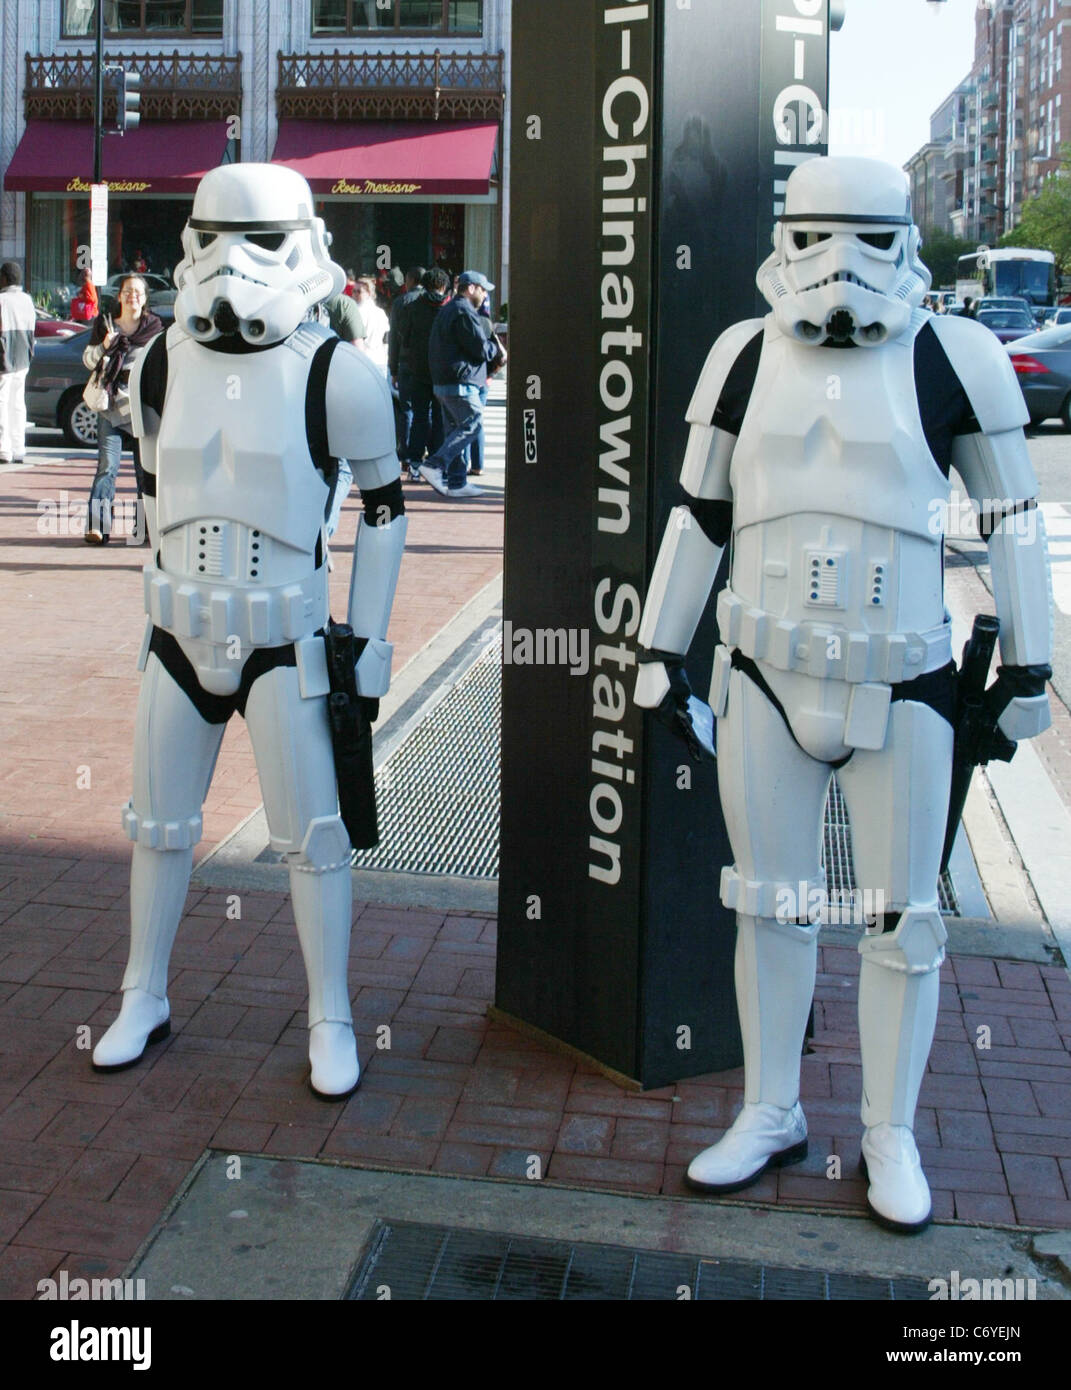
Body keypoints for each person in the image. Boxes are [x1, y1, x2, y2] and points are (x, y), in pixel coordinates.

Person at [633, 156, 1052, 1234]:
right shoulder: (739, 356)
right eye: (818, 235)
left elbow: (1014, 520)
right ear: (785, 234)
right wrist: (656, 645)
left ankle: (888, 1131)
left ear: (906, 239)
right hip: (765, 678)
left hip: (903, 684)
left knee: (902, 921)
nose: (840, 265)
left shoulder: (953, 356)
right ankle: (770, 1109)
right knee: (768, 903)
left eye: (868, 238)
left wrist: (1032, 672)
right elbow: (697, 513)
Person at [90, 163, 407, 1101]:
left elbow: (385, 510)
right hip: (177, 631)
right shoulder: (157, 361)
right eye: (216, 237)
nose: (235, 263)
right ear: (189, 242)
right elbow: (154, 488)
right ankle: (142, 992)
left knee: (314, 835)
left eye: (261, 240)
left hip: (287, 640)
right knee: (156, 826)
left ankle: (330, 1014)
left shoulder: (337, 373)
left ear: (305, 246)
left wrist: (370, 646)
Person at [82, 275, 163, 544]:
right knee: (107, 467)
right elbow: (87, 360)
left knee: (145, 470)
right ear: (119, 297)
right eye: (128, 292)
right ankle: (97, 527)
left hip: (143, 409)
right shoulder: (105, 325)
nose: (133, 297)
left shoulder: (153, 328)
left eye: (138, 292)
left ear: (145, 298)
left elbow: (161, 365)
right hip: (111, 407)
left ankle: (145, 528)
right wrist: (105, 346)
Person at [419, 269, 501, 499]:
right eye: (483, 289)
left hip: (446, 382)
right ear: (471, 288)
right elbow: (481, 348)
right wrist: (496, 347)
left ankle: (457, 482)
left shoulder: (448, 310)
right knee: (473, 424)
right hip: (460, 382)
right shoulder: (463, 311)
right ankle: (435, 465)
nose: (485, 294)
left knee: (454, 431)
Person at [397, 268, 450, 484]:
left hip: (418, 370)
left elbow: (404, 338)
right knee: (439, 419)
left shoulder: (413, 308)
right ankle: (435, 465)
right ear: (444, 286)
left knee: (420, 418)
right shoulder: (449, 309)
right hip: (442, 373)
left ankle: (415, 464)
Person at [389, 266, 425, 468]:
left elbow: (394, 337)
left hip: (404, 361)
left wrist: (392, 368)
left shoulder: (400, 302)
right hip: (425, 364)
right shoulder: (431, 300)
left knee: (406, 409)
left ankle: (405, 453)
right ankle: (421, 452)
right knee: (425, 410)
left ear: (409, 281)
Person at [0, 261, 36, 466]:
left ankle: (3, 449)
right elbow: (32, 331)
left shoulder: (2, 300)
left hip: (3, 358)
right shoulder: (27, 300)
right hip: (23, 357)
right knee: (17, 404)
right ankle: (18, 447)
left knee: (2, 403)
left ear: (4, 278)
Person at [352, 275, 390, 373]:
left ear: (368, 293)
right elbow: (386, 339)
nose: (355, 294)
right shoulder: (381, 312)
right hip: (380, 361)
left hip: (362, 362)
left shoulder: (355, 312)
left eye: (359, 291)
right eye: (354, 291)